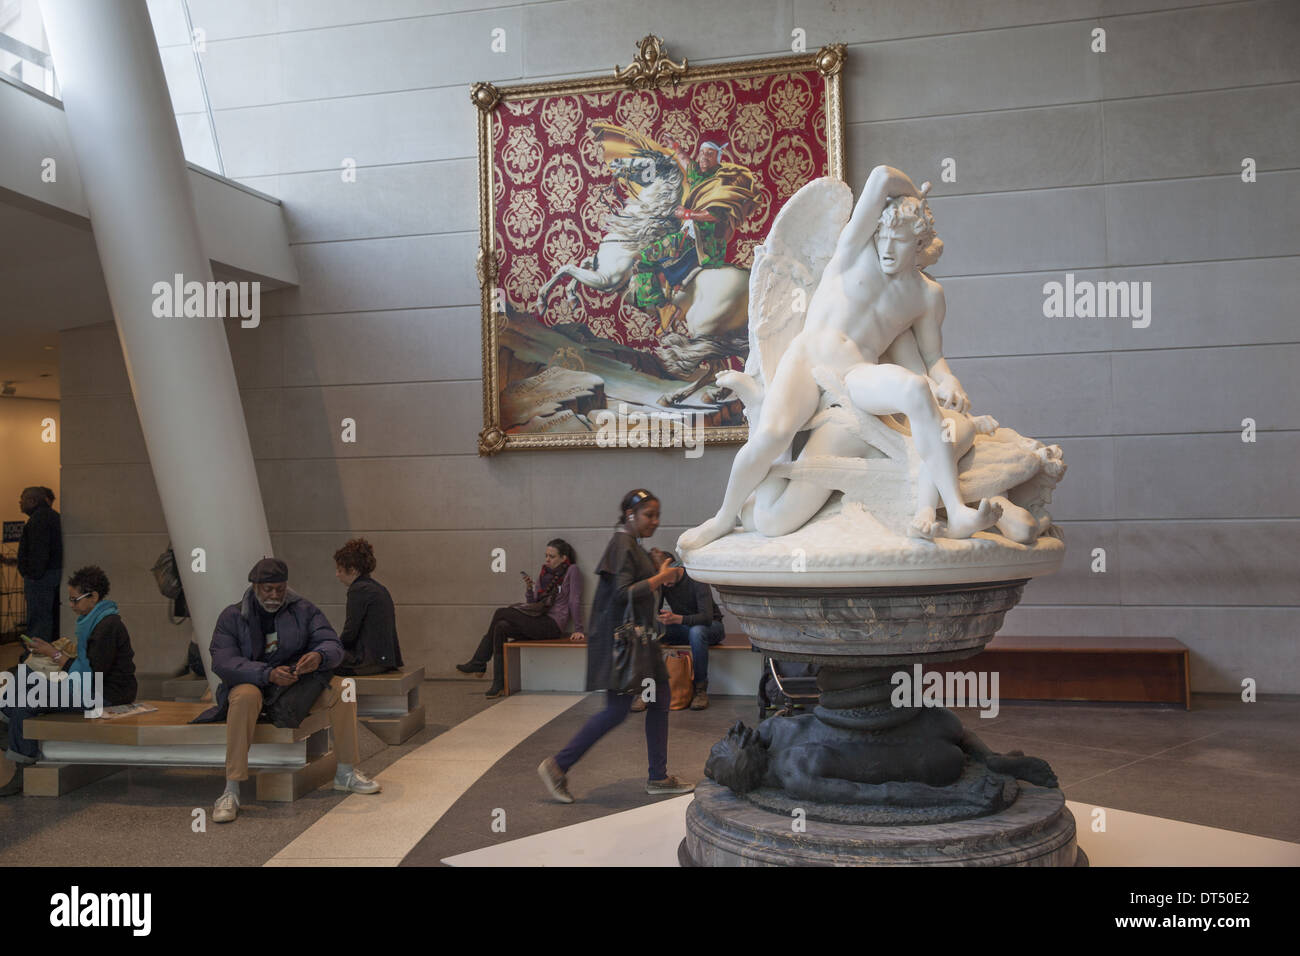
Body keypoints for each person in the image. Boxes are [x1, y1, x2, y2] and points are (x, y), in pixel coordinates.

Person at [679, 165, 1001, 553]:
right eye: (883, 237)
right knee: (772, 436)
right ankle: (723, 517)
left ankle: (955, 510)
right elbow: (882, 176)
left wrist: (949, 381)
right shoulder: (853, 251)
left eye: (898, 242)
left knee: (916, 388)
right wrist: (915, 192)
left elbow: (933, 360)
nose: (886, 249)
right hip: (811, 355)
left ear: (918, 243)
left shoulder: (927, 296)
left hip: (855, 373)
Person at [193, 558, 380, 824]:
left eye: (279, 589)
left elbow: (331, 643)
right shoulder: (233, 616)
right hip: (254, 684)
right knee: (245, 696)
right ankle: (231, 789)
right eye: (268, 590)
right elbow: (223, 662)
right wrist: (266, 674)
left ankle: (346, 772)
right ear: (255, 587)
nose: (274, 595)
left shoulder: (303, 610)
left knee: (344, 688)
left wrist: (318, 656)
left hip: (295, 686)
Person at [537, 490, 695, 803]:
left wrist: (652, 570)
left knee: (659, 699)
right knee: (617, 710)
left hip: (636, 644)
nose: (655, 521)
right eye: (649, 514)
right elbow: (623, 593)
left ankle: (658, 776)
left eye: (657, 515)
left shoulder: (629, 545)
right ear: (630, 515)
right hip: (624, 645)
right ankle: (557, 765)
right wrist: (661, 577)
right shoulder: (622, 544)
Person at [1, 565, 136, 796]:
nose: (72, 605)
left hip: (105, 693)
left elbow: (94, 674)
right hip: (88, 685)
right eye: (70, 600)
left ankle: (24, 766)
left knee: (24, 703)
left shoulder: (108, 626)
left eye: (75, 600)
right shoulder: (94, 621)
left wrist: (53, 653)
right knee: (13, 689)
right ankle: (19, 743)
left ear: (93, 597)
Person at [457, 539, 585, 699]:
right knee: (501, 626)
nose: (547, 560)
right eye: (546, 555)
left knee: (501, 612)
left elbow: (574, 600)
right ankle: (498, 684)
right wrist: (529, 590)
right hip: (538, 620)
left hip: (552, 626)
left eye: (552, 556)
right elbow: (534, 605)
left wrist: (579, 629)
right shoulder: (544, 573)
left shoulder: (572, 571)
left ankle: (479, 662)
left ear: (564, 558)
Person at [650, 548, 725, 710]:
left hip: (711, 627)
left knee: (697, 631)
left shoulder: (695, 577)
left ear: (674, 566)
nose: (664, 583)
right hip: (685, 627)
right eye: (659, 579)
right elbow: (652, 612)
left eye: (664, 578)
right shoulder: (663, 583)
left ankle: (700, 689)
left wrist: (677, 618)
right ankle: (646, 689)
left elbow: (706, 617)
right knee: (649, 631)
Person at [333, 538, 403, 676]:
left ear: (352, 570)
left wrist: (333, 648)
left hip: (368, 661)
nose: (337, 575)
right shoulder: (378, 588)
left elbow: (350, 631)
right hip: (386, 660)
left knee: (317, 662)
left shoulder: (358, 589)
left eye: (339, 570)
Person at [16, 486, 62, 641]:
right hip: (50, 576)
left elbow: (39, 550)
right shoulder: (53, 516)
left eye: (22, 500)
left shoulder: (38, 519)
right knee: (48, 621)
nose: (19, 503)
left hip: (41, 579)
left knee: (37, 624)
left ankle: (30, 664)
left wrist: (32, 575)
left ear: (32, 501)